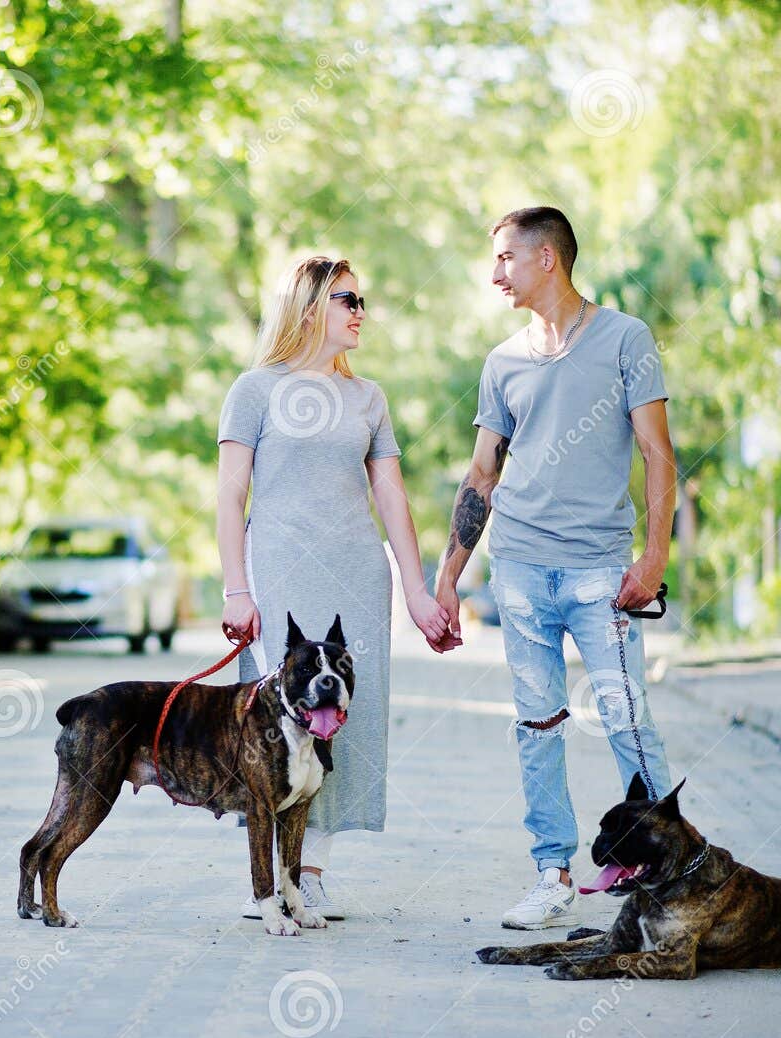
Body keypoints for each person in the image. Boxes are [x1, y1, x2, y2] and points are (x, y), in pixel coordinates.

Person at [433, 206, 679, 931]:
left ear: (548, 259)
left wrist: (654, 557)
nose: (495, 273)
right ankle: (552, 873)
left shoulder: (626, 339)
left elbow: (657, 453)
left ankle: (673, 872)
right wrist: (449, 575)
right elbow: (482, 474)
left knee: (629, 722)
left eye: (506, 257)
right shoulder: (501, 361)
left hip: (602, 571)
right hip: (518, 570)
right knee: (537, 724)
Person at [217, 255, 452, 922]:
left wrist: (416, 588)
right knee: (276, 723)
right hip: (280, 567)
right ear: (309, 306)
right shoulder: (255, 389)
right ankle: (268, 879)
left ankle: (308, 872)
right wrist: (237, 587)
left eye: (362, 300)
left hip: (356, 572)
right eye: (347, 299)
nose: (360, 311)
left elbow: (390, 492)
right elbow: (231, 493)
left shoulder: (368, 397)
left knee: (338, 721)